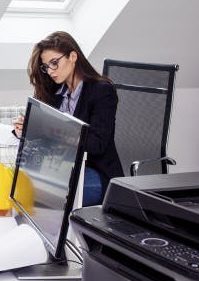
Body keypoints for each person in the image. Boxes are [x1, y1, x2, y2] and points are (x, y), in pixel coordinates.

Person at [13, 31, 124, 205]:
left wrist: (52, 130)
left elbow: (97, 144)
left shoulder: (102, 91)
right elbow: (46, 136)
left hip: (94, 172)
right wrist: (28, 129)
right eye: (46, 66)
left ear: (73, 56)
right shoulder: (54, 92)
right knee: (16, 183)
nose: (50, 71)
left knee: (35, 194)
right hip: (62, 168)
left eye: (54, 63)